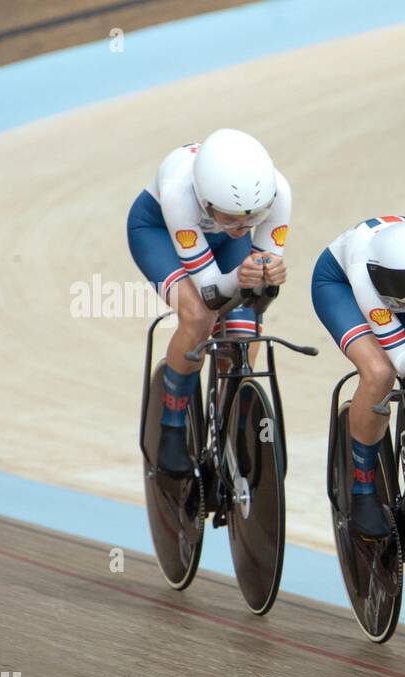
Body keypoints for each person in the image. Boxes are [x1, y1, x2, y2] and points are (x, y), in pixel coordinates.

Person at [127, 128, 290, 476]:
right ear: (204, 200)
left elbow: (258, 289)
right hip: (159, 234)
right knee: (199, 317)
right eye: (230, 217)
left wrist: (268, 278)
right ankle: (172, 423)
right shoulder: (178, 193)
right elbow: (212, 292)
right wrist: (242, 277)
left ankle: (232, 424)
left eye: (253, 217)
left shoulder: (279, 193)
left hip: (218, 246)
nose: (242, 226)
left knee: (245, 338)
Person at [311, 215, 405, 538]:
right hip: (341, 287)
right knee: (380, 372)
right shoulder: (364, 275)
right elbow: (404, 365)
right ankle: (363, 488)